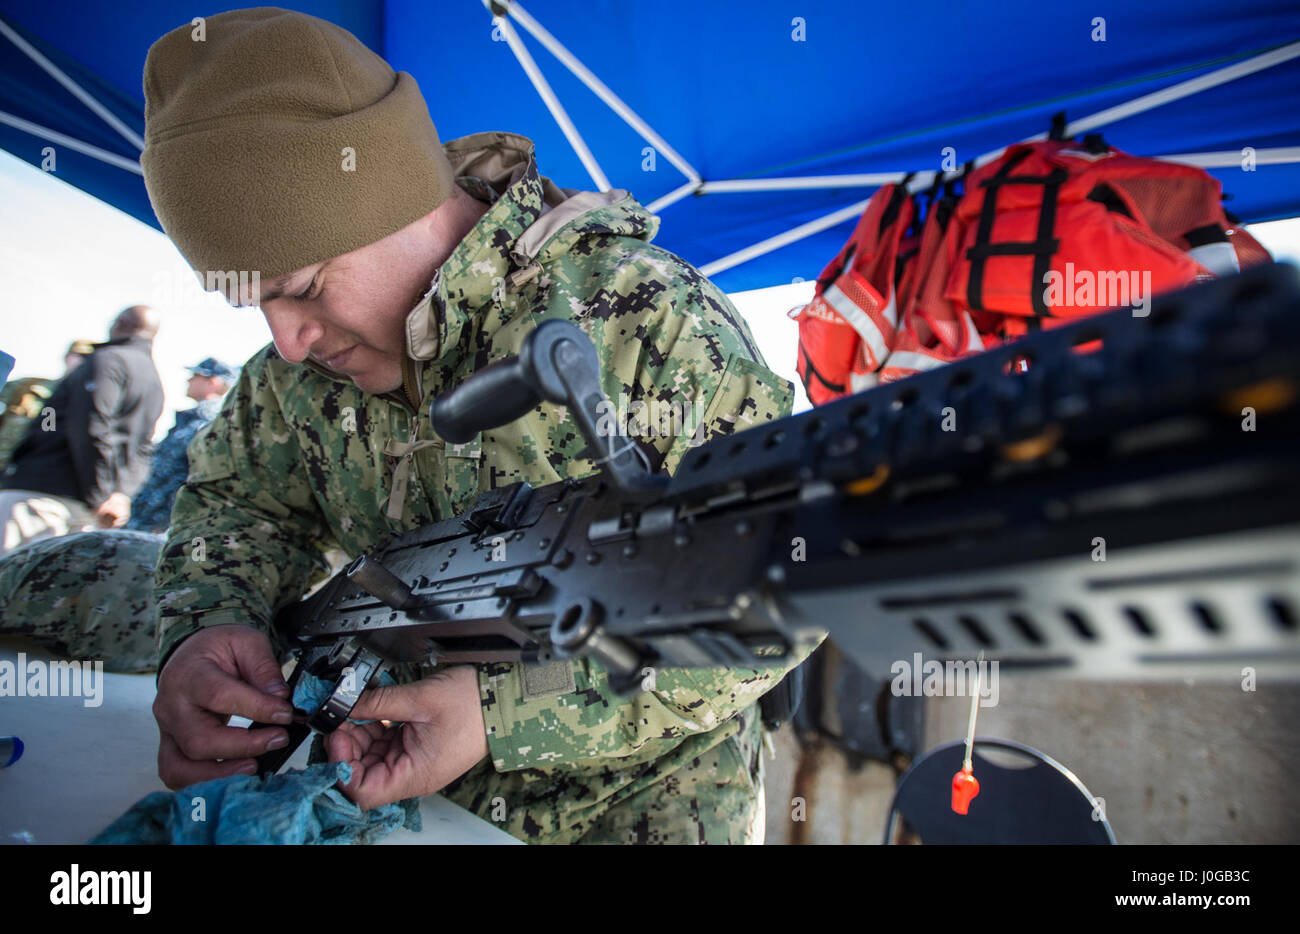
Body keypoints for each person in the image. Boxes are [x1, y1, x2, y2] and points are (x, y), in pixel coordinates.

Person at [143, 8, 819, 844]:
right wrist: (208, 626)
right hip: (396, 814)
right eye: (257, 302)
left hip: (638, 817)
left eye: (306, 285)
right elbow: (238, 504)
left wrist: (502, 712)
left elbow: (785, 581)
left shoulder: (645, 322)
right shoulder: (291, 379)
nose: (286, 339)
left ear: (402, 201)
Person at [0, 308, 164, 555]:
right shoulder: (154, 382)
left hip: (44, 498)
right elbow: (143, 449)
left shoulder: (107, 360)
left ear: (118, 324)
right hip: (85, 509)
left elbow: (91, 426)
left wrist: (101, 493)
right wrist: (118, 495)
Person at [126, 357, 239, 533]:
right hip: (152, 515)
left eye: (196, 376)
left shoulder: (210, 422)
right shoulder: (193, 419)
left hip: (166, 522)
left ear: (213, 383)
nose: (189, 380)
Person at [0, 340, 95, 470]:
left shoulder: (86, 401)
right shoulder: (27, 386)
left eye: (89, 358)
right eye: (79, 355)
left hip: (30, 472)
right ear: (67, 357)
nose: (82, 362)